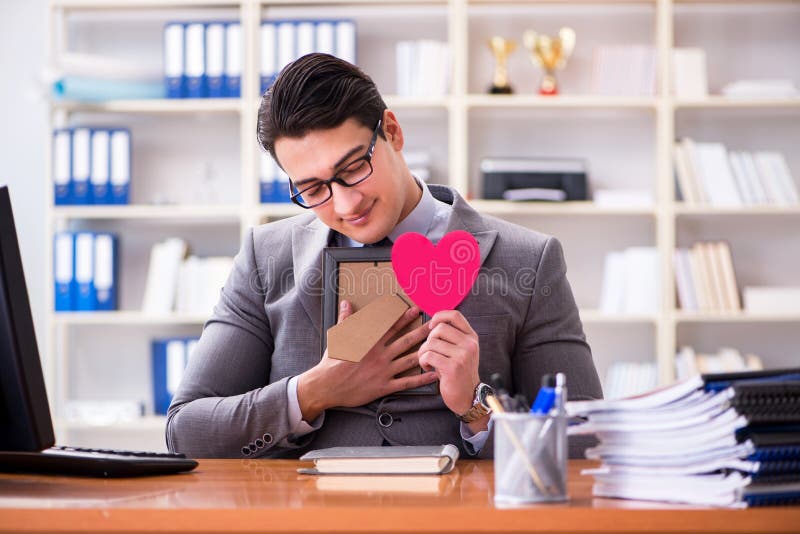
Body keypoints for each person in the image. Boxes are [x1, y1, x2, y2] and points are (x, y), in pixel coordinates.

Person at [166, 53, 602, 459]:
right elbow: (185, 430)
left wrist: (475, 407)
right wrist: (311, 392)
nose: (344, 205)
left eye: (354, 167)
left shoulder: (529, 259)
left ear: (391, 132)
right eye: (314, 189)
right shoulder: (266, 258)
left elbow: (583, 442)